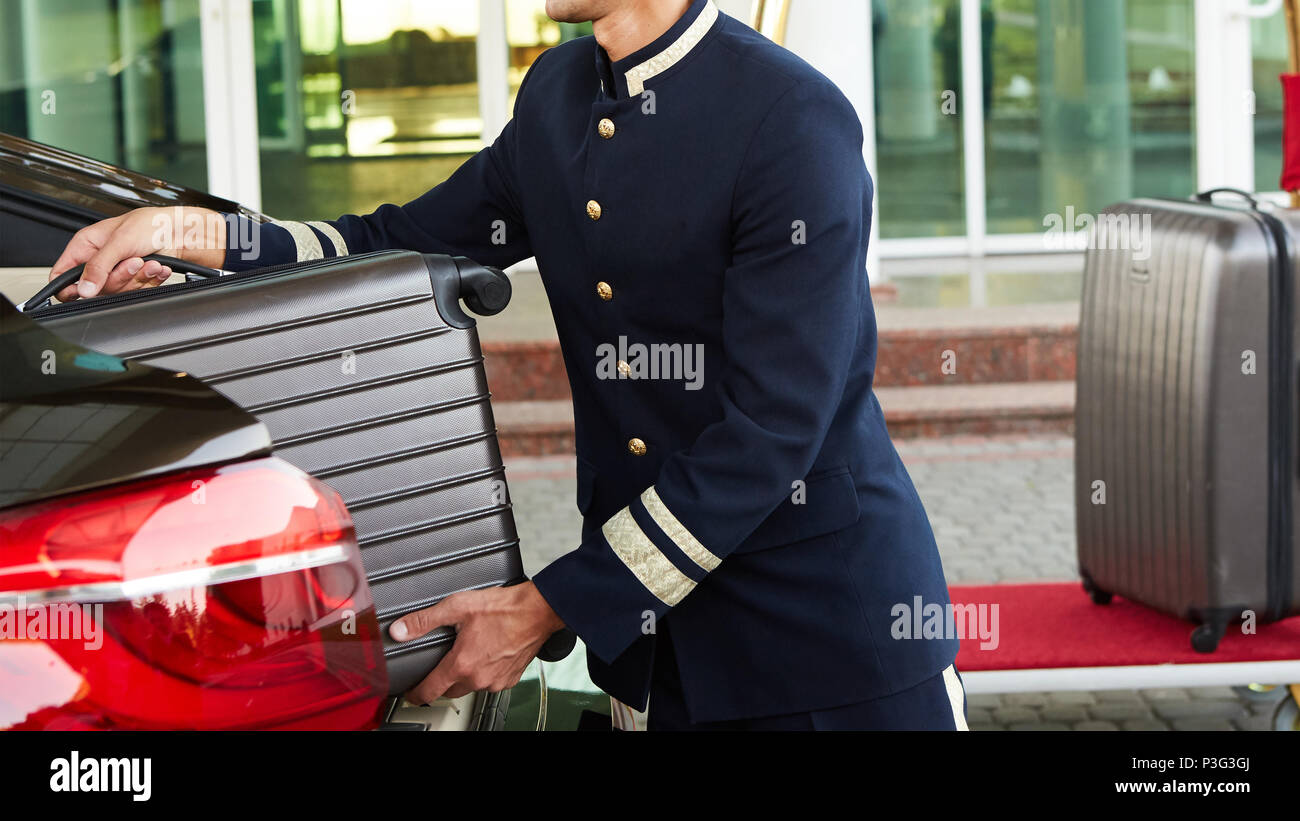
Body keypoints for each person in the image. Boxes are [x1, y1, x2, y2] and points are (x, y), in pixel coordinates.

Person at [48, 0, 964, 730]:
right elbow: (395, 246)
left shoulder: (792, 121)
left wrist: (549, 605)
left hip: (826, 646)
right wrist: (189, 236)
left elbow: (769, 434)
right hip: (657, 648)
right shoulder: (560, 91)